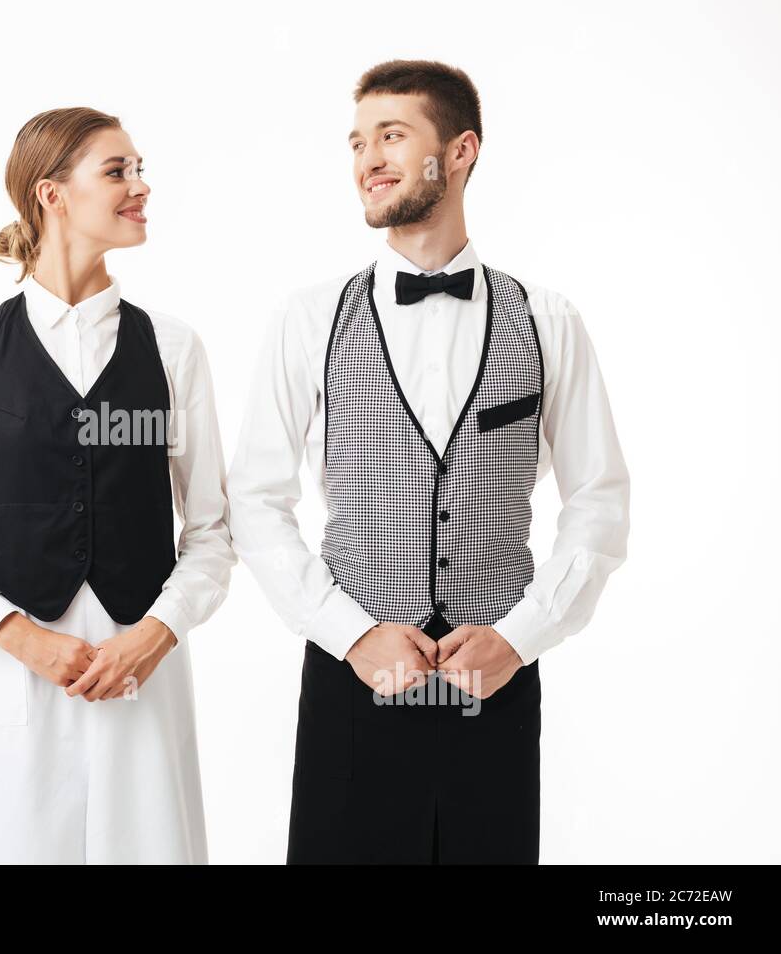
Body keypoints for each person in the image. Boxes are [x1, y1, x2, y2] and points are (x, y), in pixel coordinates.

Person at [227, 60, 631, 863]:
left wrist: (521, 635)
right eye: (356, 142)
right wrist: (350, 633)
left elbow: (600, 500)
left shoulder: (547, 320)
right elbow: (254, 499)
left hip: (497, 682)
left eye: (392, 135)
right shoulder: (307, 319)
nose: (367, 160)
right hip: (352, 682)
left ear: (460, 152)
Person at [0, 106, 234, 864]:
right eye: (118, 171)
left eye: (141, 170)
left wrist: (155, 635)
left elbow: (211, 533)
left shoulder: (172, 347)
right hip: (8, 679)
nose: (141, 186)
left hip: (139, 673)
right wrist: (18, 636)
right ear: (52, 195)